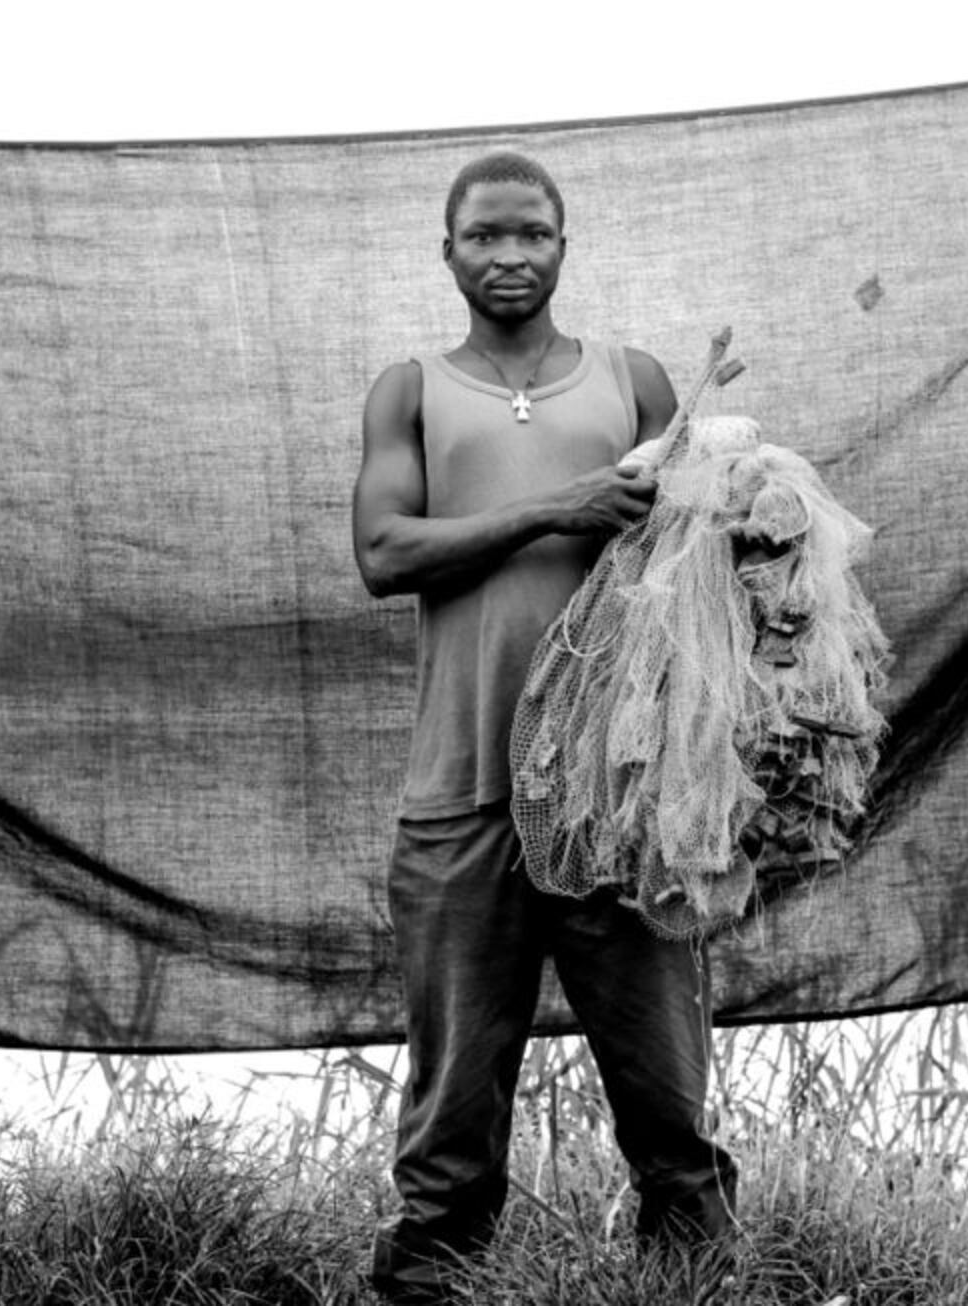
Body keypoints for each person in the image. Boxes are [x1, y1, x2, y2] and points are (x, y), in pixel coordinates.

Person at [351, 151, 739, 1303]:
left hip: (618, 792)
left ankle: (696, 1281)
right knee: (453, 1103)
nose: (508, 256)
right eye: (484, 237)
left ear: (564, 247)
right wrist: (553, 510)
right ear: (449, 252)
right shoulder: (410, 388)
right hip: (461, 788)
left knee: (668, 1098)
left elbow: (706, 555)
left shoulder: (634, 381)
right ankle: (430, 1283)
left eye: (531, 235)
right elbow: (383, 552)